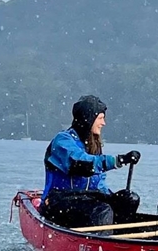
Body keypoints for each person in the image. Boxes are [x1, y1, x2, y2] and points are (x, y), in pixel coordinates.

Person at [39, 95, 142, 229]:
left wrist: (116, 200)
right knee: (101, 210)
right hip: (58, 200)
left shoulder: (93, 145)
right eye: (100, 118)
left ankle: (120, 235)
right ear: (88, 119)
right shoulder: (63, 140)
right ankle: (102, 239)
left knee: (129, 199)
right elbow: (83, 163)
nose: (103, 123)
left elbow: (99, 183)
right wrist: (119, 160)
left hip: (86, 199)